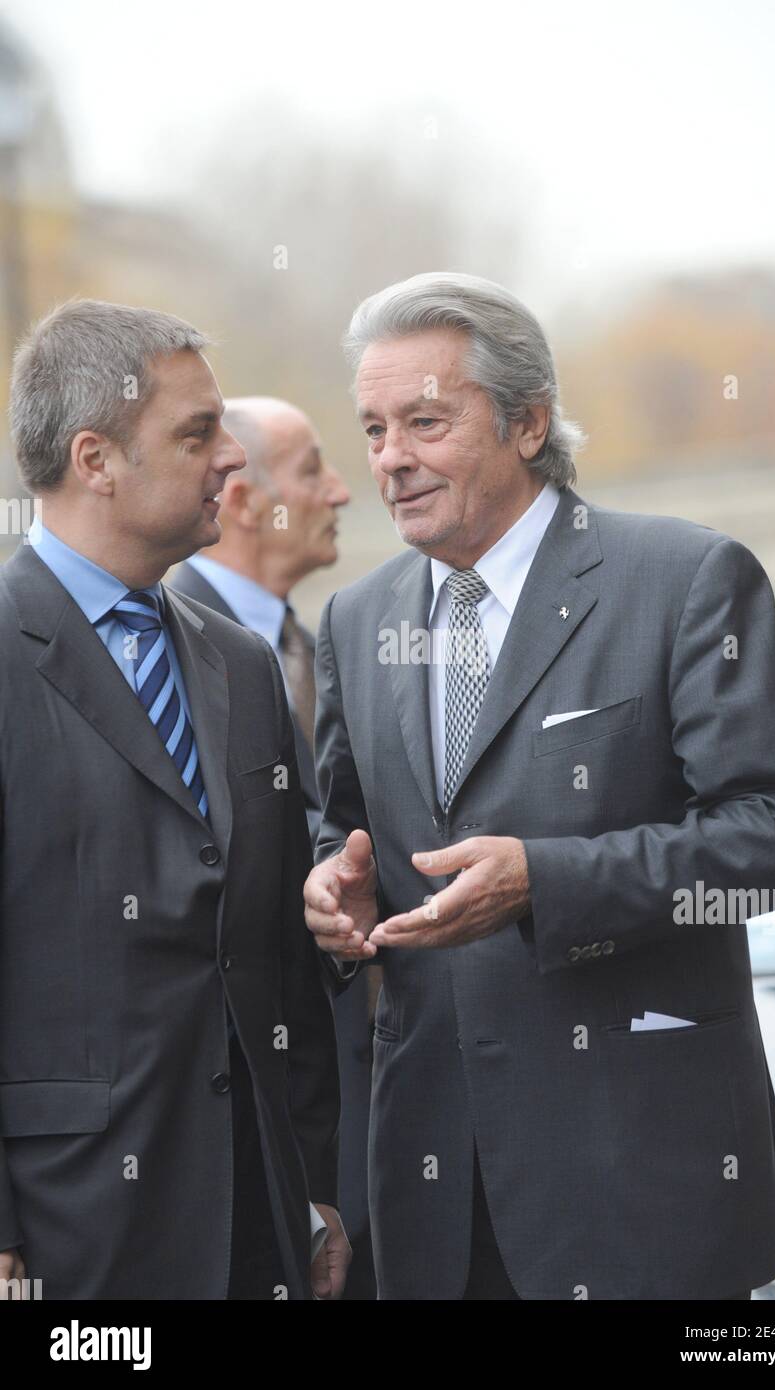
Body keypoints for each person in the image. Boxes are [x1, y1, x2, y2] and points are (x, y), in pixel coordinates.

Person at [304, 271, 775, 1301]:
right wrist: (331, 890)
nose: (390, 460)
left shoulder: (683, 580)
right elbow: (345, 835)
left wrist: (547, 883)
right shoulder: (355, 621)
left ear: (527, 422)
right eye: (372, 430)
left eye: (424, 421)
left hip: (638, 1189)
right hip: (432, 1204)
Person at [0, 300, 347, 1300]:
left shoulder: (241, 663)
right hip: (74, 1233)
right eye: (197, 434)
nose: (229, 459)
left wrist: (314, 1189)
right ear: (95, 458)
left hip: (259, 1222)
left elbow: (280, 964)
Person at [171, 398, 376, 1298]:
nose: (342, 489)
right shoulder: (169, 654)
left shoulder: (319, 643)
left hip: (341, 1121)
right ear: (246, 500)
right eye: (311, 470)